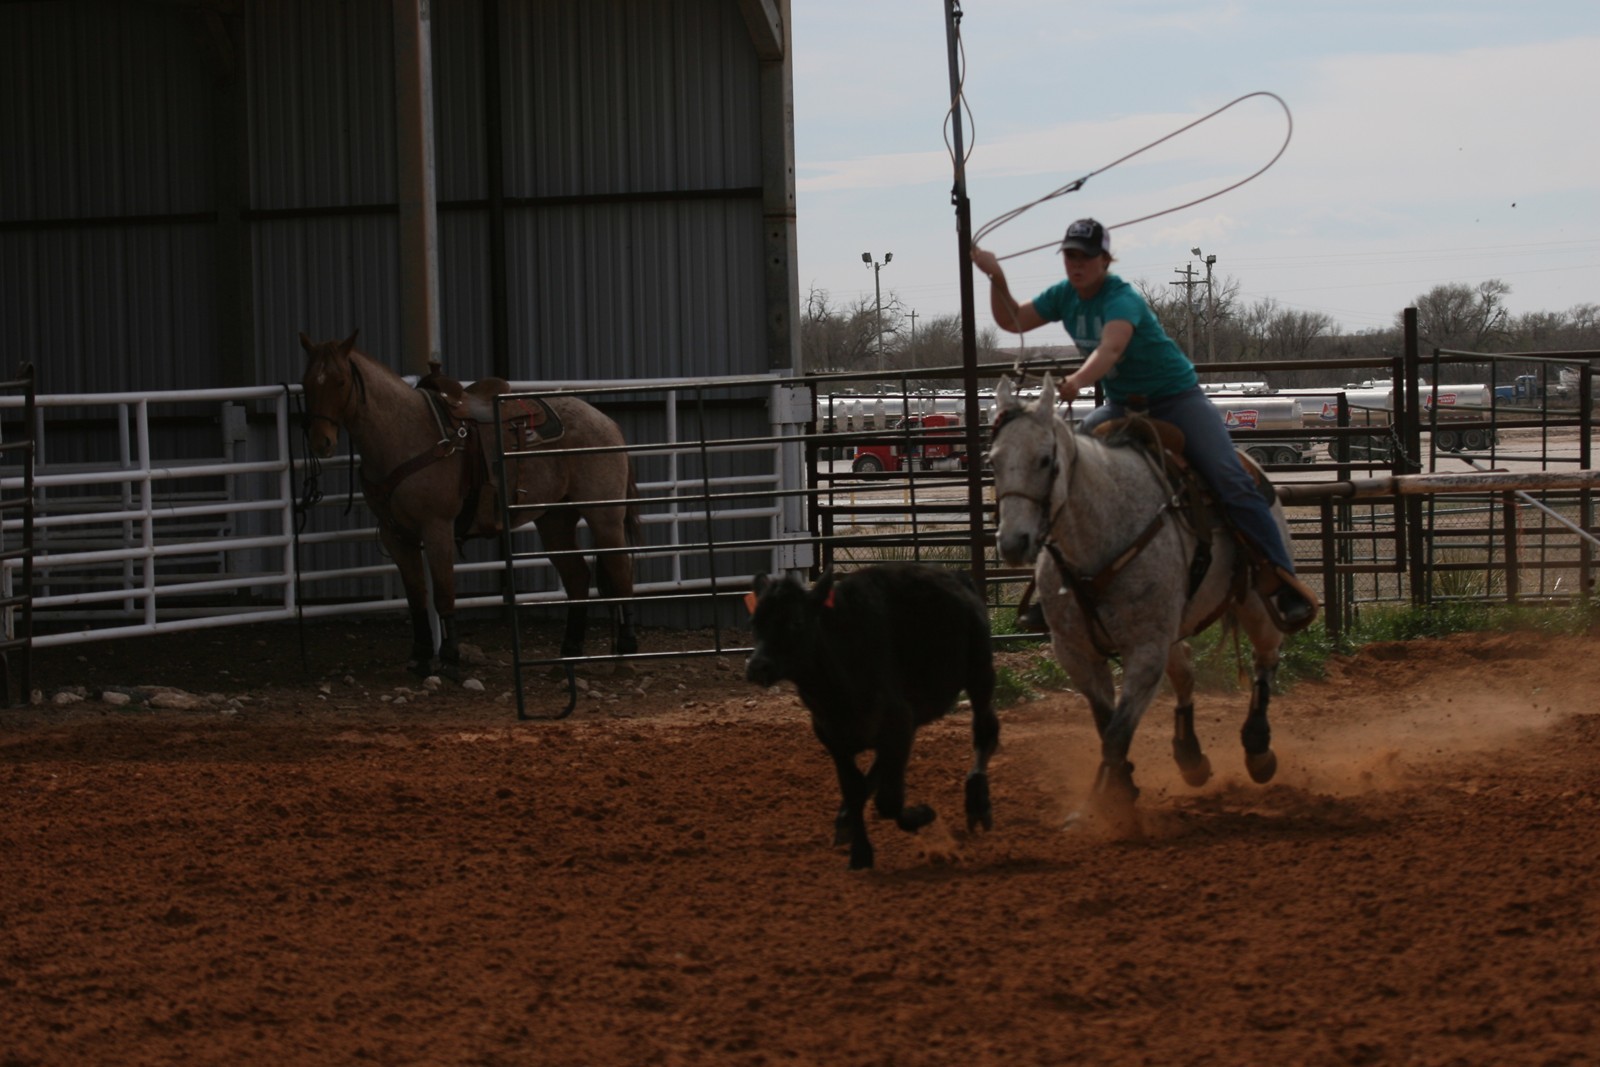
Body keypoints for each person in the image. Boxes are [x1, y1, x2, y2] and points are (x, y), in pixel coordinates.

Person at [972, 217, 1316, 631]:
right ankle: (1059, 587)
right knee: (1068, 470)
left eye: (1084, 256)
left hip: (1176, 400)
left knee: (1230, 477)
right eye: (1070, 256)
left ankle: (1281, 583)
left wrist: (1077, 381)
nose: (1076, 264)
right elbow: (1012, 319)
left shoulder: (1121, 298)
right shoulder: (1064, 295)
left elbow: (1111, 349)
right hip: (1123, 405)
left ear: (1104, 260)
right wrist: (996, 276)